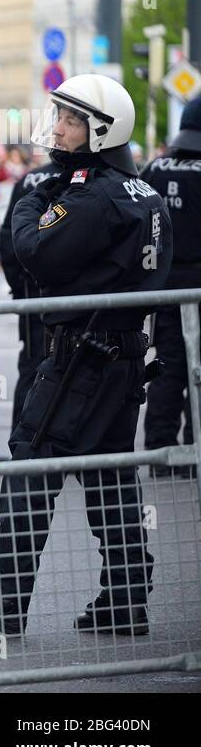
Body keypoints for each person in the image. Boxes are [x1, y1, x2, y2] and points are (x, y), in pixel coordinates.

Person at [0, 74, 171, 637]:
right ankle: (124, 599)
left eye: (71, 120)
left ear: (101, 129)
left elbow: (34, 251)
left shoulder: (91, 195)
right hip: (122, 357)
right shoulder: (143, 191)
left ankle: (5, 596)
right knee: (110, 478)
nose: (60, 129)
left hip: (81, 358)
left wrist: (30, 201)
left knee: (33, 465)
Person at [140, 97, 201, 478]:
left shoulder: (155, 168)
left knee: (169, 363)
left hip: (163, 282)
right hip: (198, 282)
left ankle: (161, 448)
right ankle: (195, 446)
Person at [0, 153, 58, 431]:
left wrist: (19, 287)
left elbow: (8, 239)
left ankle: (22, 442)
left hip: (32, 293)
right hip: (69, 297)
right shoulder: (91, 181)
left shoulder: (29, 179)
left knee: (33, 367)